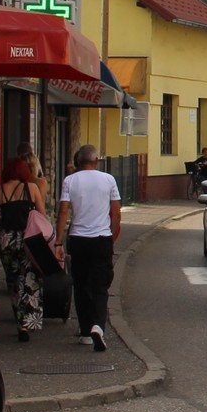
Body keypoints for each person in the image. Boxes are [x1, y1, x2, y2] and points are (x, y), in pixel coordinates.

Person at [55, 145, 121, 352]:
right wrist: (113, 235)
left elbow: (63, 211)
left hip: (78, 239)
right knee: (100, 285)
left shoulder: (70, 180)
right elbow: (116, 212)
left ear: (78, 161)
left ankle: (85, 332)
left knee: (81, 284)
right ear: (96, 160)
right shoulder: (109, 179)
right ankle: (98, 326)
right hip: (102, 238)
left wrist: (58, 241)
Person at [0, 156, 46, 342]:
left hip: (6, 240)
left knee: (13, 281)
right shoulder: (31, 188)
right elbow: (41, 215)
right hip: (28, 239)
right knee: (30, 278)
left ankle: (19, 320)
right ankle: (27, 322)